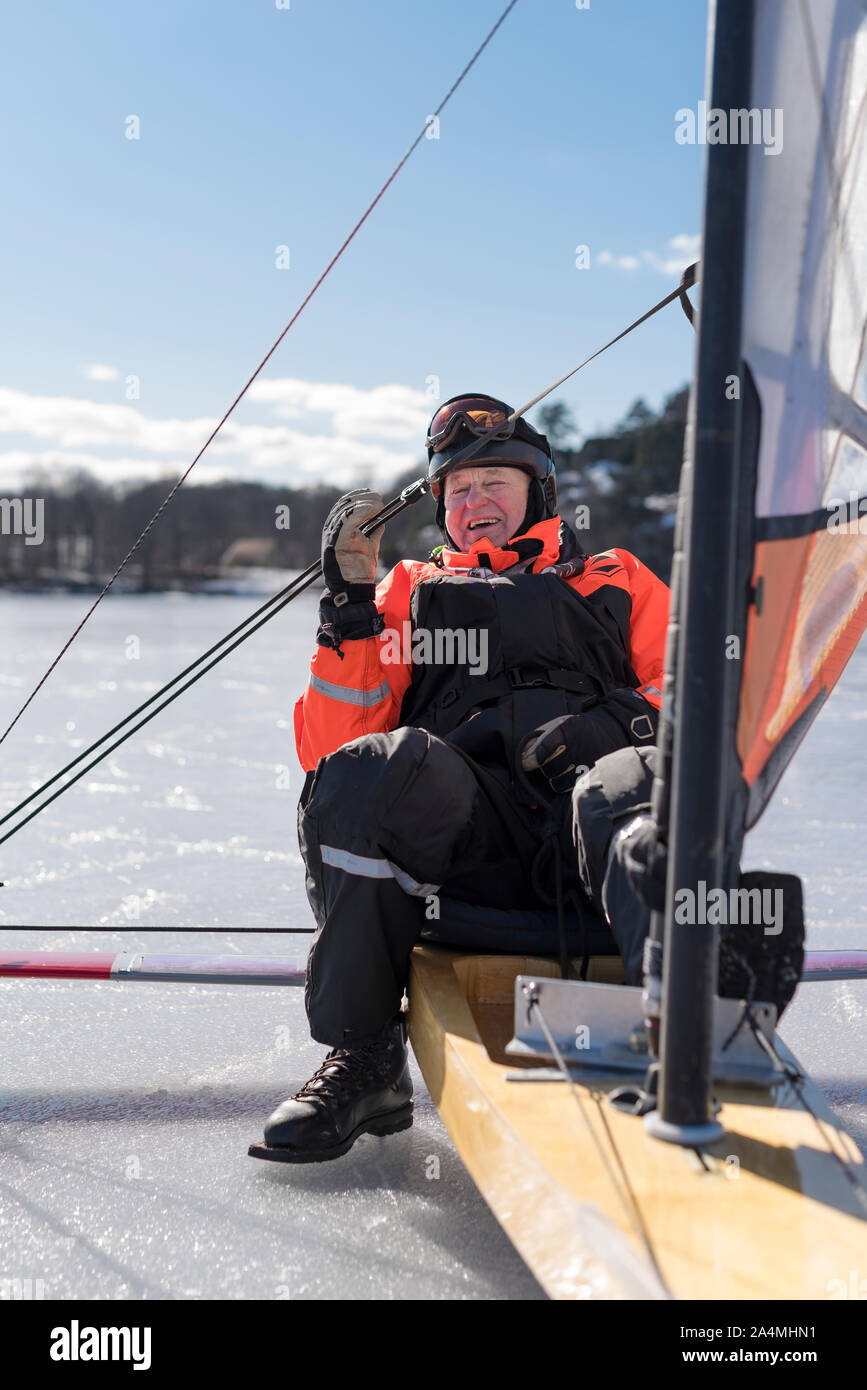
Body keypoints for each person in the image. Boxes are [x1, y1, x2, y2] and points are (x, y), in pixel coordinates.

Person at [248, 393, 670, 1163]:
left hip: (596, 852)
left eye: (494, 484)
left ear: (537, 492)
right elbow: (331, 755)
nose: (475, 502)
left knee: (632, 780)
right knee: (371, 772)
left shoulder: (619, 580)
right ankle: (367, 1059)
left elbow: (701, 698)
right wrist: (348, 620)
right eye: (458, 491)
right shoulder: (407, 591)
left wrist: (617, 727)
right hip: (465, 859)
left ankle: (680, 1032)